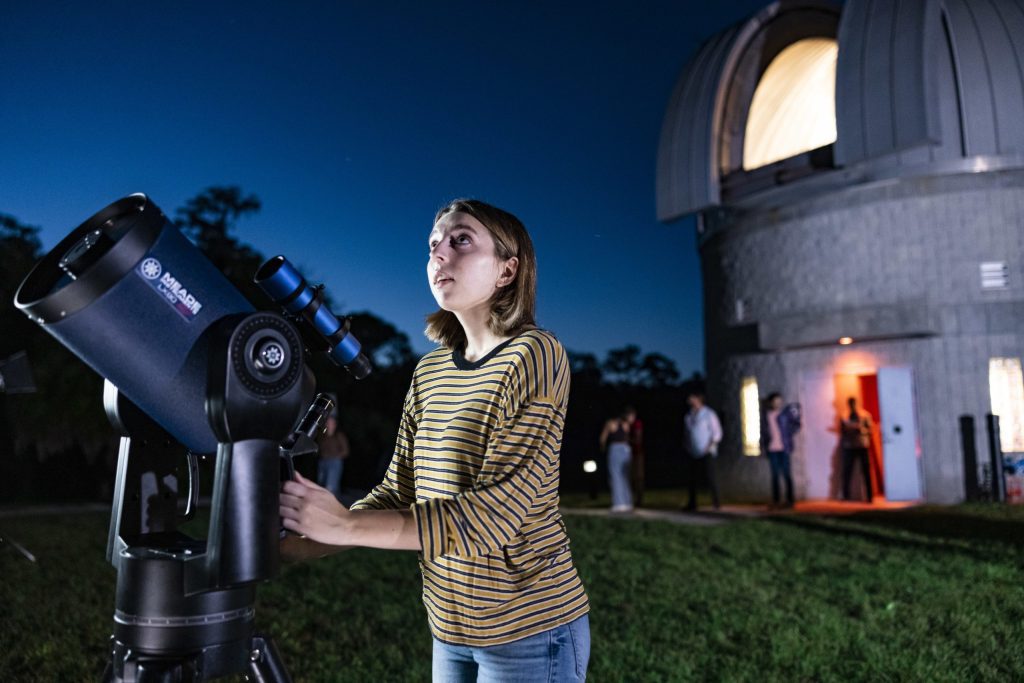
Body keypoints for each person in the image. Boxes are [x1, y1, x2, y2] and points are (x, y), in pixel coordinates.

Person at [279, 199, 590, 682]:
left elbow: (497, 515)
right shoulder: (431, 371)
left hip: (529, 629)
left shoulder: (535, 354)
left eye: (460, 239)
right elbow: (400, 489)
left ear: (508, 270)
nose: (438, 254)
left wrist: (346, 527)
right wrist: (305, 542)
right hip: (449, 627)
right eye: (433, 245)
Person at [683, 390, 722, 511]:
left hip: (707, 451)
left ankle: (716, 502)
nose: (689, 399)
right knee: (692, 478)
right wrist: (687, 445)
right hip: (692, 451)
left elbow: (717, 433)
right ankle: (692, 503)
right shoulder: (688, 415)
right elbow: (687, 433)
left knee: (711, 477)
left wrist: (709, 446)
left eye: (692, 397)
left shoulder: (709, 414)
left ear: (698, 399)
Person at [761, 393, 801, 508]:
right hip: (772, 449)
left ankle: (790, 500)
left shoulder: (785, 415)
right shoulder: (766, 415)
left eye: (779, 401)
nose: (777, 403)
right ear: (771, 402)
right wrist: (763, 446)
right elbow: (763, 432)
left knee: (787, 474)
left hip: (784, 448)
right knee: (775, 475)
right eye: (775, 401)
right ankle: (776, 501)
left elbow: (796, 425)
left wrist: (789, 435)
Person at [839, 396, 874, 502]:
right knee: (847, 471)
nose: (852, 405)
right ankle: (846, 496)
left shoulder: (864, 415)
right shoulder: (844, 415)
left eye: (853, 403)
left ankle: (869, 496)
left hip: (862, 445)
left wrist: (860, 428)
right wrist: (848, 428)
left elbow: (870, 430)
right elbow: (842, 430)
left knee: (866, 471)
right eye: (850, 403)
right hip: (849, 445)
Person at [600, 408, 634, 512]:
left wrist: (603, 448)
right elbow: (627, 436)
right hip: (626, 449)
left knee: (615, 475)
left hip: (615, 448)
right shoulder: (626, 424)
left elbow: (603, 438)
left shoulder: (611, 423)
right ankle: (627, 502)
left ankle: (619, 503)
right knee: (625, 476)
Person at [316, 412, 349, 500]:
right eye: (327, 422)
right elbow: (318, 448)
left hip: (334, 462)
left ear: (334, 424)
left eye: (331, 422)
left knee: (330, 486)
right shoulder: (322, 435)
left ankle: (333, 504)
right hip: (322, 462)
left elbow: (345, 451)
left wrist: (333, 456)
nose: (328, 424)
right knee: (321, 484)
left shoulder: (339, 435)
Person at [627, 407, 646, 506]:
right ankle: (630, 499)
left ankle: (639, 500)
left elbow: (638, 439)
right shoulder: (626, 424)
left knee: (638, 477)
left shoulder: (637, 424)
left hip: (637, 454)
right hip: (628, 454)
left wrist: (627, 440)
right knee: (630, 478)